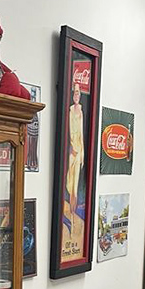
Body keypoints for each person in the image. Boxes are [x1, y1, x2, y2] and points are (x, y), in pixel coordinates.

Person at [65, 82, 84, 228]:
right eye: (75, 93)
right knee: (69, 183)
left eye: (78, 93)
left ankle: (73, 214)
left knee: (75, 186)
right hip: (72, 151)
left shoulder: (81, 111)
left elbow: (82, 134)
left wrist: (81, 153)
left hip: (79, 152)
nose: (76, 96)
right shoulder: (70, 110)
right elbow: (68, 131)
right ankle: (70, 214)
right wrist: (72, 147)